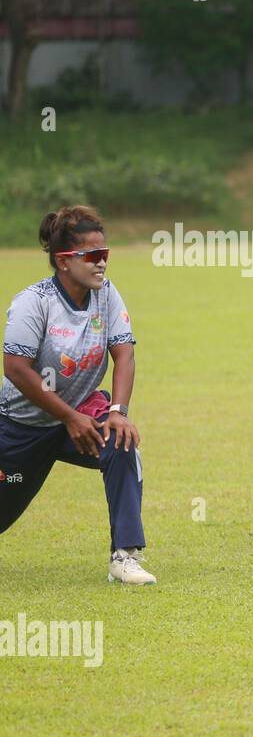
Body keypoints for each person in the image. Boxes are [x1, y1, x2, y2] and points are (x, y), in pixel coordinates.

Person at [0, 205, 154, 584]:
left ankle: (124, 556)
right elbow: (15, 368)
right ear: (63, 261)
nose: (102, 264)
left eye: (106, 254)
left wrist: (117, 410)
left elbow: (124, 353)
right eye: (92, 256)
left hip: (83, 415)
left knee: (121, 444)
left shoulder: (106, 293)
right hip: (22, 427)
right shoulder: (33, 303)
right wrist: (67, 417)